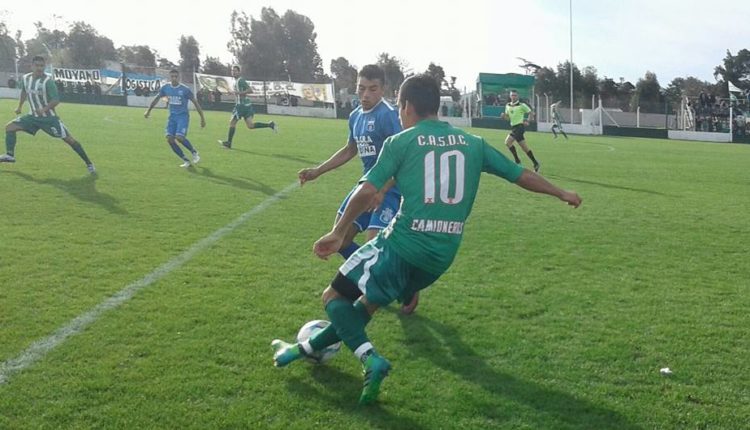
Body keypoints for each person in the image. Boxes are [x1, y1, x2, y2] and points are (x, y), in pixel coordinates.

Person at [271, 74, 582, 405]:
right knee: (366, 305)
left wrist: (338, 231)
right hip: (440, 258)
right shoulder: (473, 143)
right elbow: (520, 175)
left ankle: (370, 359)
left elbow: (367, 190)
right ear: (435, 105)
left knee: (333, 296)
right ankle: (298, 351)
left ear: (405, 106)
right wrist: (561, 192)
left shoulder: (401, 142)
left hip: (403, 244)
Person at [297, 64, 419, 314]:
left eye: (372, 89)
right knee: (338, 239)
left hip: (390, 188)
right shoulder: (355, 116)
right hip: (366, 186)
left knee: (374, 245)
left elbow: (403, 158)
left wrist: (383, 190)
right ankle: (374, 281)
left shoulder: (389, 115)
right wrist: (318, 171)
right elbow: (350, 149)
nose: (366, 95)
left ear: (383, 89)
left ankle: (404, 286)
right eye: (361, 89)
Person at [1, 56, 95, 174]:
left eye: (42, 66)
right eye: (37, 65)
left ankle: (89, 163)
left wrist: (44, 109)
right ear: (32, 66)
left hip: (49, 119)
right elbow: (24, 91)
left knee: (69, 140)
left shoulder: (48, 81)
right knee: (10, 127)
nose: (40, 68)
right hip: (32, 117)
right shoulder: (26, 78)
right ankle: (10, 155)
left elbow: (56, 100)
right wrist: (19, 106)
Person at [144, 69, 205, 168]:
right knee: (169, 139)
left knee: (179, 137)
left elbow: (195, 103)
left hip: (183, 117)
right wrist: (148, 110)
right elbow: (157, 98)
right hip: (172, 117)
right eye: (172, 76)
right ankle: (186, 160)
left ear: (179, 77)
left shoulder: (185, 90)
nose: (174, 78)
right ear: (170, 77)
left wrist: (202, 118)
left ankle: (194, 152)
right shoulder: (166, 88)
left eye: (176, 76)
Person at [218, 65, 276, 149]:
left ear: (239, 72)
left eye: (235, 71)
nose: (233, 72)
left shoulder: (240, 80)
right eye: (232, 71)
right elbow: (239, 93)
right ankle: (270, 125)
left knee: (232, 123)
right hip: (246, 105)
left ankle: (229, 143)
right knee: (250, 125)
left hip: (241, 105)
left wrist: (238, 93)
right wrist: (234, 93)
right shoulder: (236, 81)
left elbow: (250, 90)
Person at [502, 89, 540, 172]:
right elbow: (508, 118)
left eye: (515, 95)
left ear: (517, 96)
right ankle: (535, 163)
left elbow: (531, 112)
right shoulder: (507, 106)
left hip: (520, 127)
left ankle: (517, 161)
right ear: (510, 96)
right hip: (514, 127)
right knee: (524, 147)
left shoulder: (522, 105)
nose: (513, 97)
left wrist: (528, 121)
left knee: (508, 142)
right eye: (512, 95)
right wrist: (504, 117)